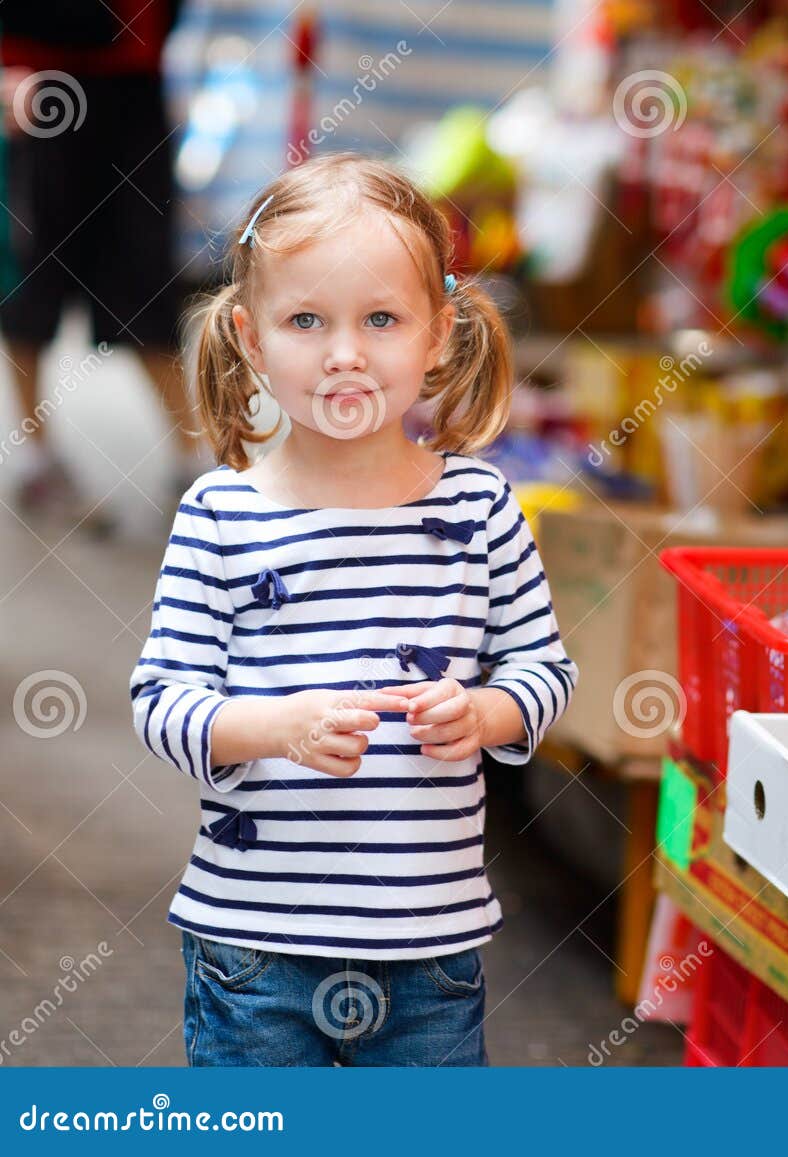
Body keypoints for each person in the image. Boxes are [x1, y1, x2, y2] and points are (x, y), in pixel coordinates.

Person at [127, 154, 577, 1066]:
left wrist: (486, 711)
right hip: (255, 946)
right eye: (306, 320)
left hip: (429, 950)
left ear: (440, 335)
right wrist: (272, 727)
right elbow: (161, 702)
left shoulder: (479, 510)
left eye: (381, 319)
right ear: (252, 340)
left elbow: (546, 673)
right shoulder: (221, 513)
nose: (345, 353)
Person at [1, 0, 207, 524]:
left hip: (133, 93)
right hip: (35, 86)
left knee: (147, 283)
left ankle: (198, 466)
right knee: (32, 283)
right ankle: (36, 459)